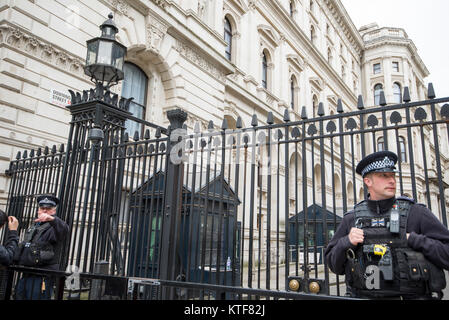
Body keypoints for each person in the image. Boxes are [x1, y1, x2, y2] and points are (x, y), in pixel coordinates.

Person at [324, 151, 449, 299]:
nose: (392, 181)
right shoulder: (351, 219)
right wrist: (346, 242)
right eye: (384, 176)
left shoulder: (417, 213)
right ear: (368, 181)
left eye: (393, 175)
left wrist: (415, 240)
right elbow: (334, 266)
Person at [14, 194, 69, 300]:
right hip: (27, 273)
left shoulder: (54, 227)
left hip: (42, 275)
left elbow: (64, 229)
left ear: (54, 211)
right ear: (38, 210)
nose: (44, 211)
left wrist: (53, 219)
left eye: (48, 209)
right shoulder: (35, 225)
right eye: (42, 208)